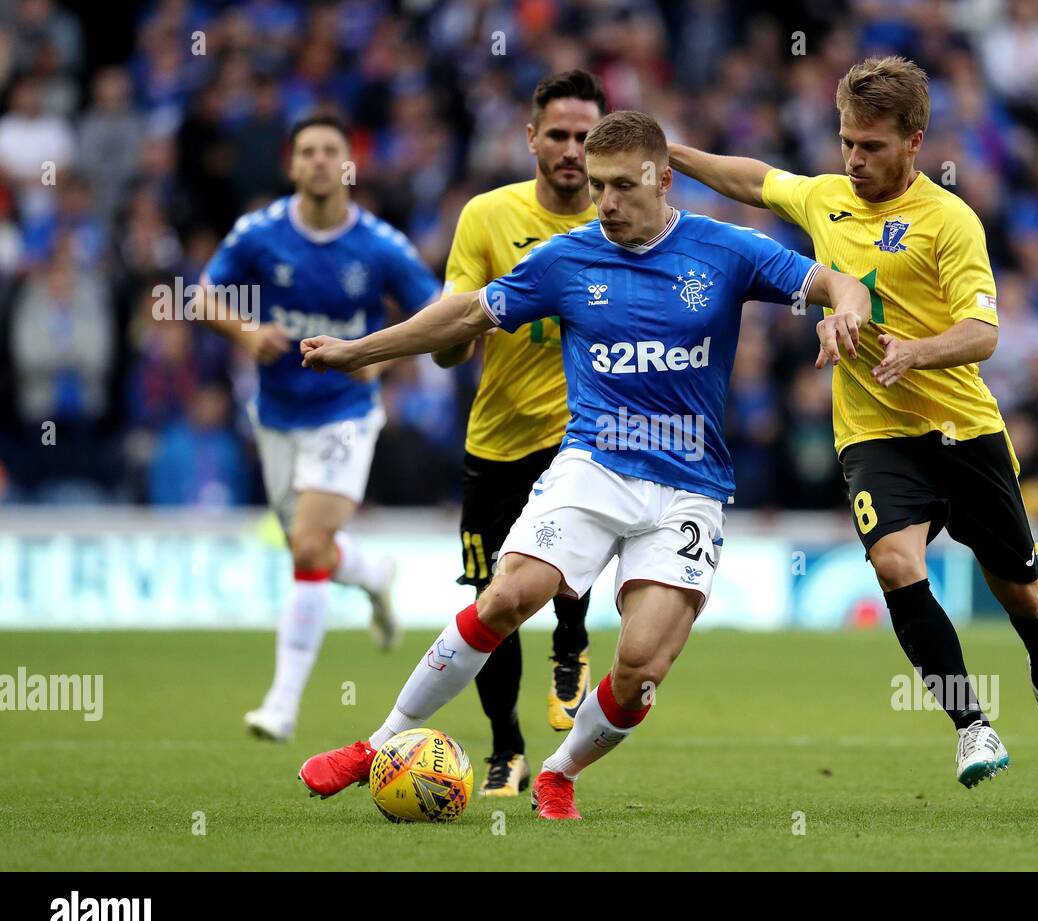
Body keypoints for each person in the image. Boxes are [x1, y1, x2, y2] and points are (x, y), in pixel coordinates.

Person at [295, 110, 871, 819]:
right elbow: (465, 314)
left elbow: (841, 282)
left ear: (664, 180)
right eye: (597, 186)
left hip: (689, 489)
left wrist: (843, 310)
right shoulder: (566, 259)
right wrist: (360, 352)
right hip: (594, 464)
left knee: (640, 667)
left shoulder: (724, 249)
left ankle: (559, 772)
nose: (606, 203)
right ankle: (375, 742)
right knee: (506, 597)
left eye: (623, 186)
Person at [669, 55, 1038, 788]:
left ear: (914, 142)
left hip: (961, 427)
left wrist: (920, 352)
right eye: (846, 142)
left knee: (1021, 591)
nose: (854, 160)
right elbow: (752, 179)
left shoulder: (949, 222)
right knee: (896, 563)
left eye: (872, 146)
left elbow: (984, 331)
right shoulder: (828, 197)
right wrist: (666, 152)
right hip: (873, 433)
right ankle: (972, 725)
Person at [198, 114, 439, 741]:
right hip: (276, 415)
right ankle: (373, 575)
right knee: (313, 548)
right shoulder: (261, 233)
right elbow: (201, 296)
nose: (319, 161)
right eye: (307, 151)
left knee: (306, 549)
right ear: (291, 163)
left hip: (345, 415)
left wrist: (377, 357)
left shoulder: (381, 246)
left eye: (331, 150)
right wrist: (246, 332)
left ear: (349, 162)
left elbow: (441, 315)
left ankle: (280, 705)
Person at [432, 71, 606, 798]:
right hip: (495, 440)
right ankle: (506, 744)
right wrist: (449, 338)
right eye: (559, 135)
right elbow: (450, 325)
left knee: (567, 565)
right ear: (532, 137)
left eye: (586, 138)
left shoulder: (618, 218)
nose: (572, 150)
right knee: (489, 601)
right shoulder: (487, 217)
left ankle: (572, 639)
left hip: (580, 436)